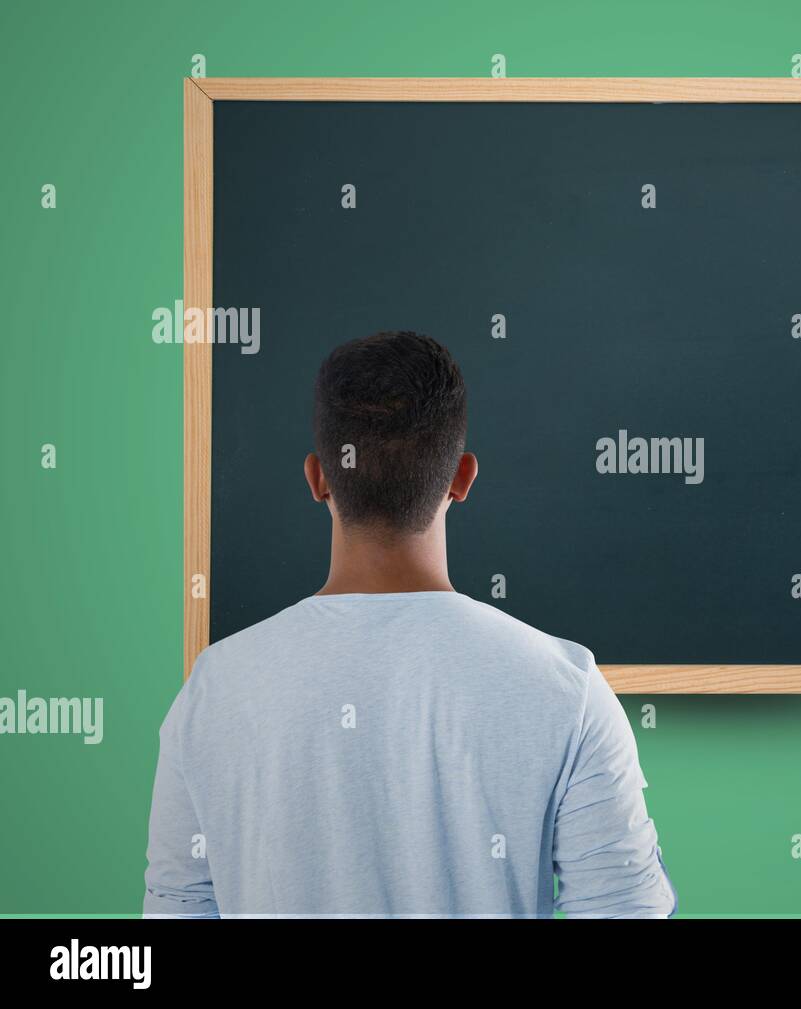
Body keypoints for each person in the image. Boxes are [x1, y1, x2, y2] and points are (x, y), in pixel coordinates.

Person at [144, 331, 675, 918]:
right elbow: (626, 909)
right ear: (462, 476)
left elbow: (178, 906)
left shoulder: (216, 687)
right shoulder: (566, 689)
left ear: (318, 478)